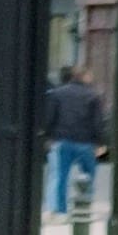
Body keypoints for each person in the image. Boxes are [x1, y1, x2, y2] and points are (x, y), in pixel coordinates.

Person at [41, 61, 105, 214]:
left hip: (61, 139)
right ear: (85, 77)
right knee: (89, 174)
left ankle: (57, 209)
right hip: (86, 141)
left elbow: (50, 117)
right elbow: (97, 122)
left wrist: (48, 136)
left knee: (58, 176)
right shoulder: (93, 96)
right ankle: (85, 205)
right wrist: (100, 143)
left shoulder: (58, 93)